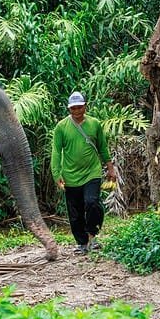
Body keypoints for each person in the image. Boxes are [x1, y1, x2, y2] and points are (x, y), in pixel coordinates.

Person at [51, 91, 117, 254]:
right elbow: (56, 151)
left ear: (85, 106)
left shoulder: (94, 124)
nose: (77, 111)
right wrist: (56, 174)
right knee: (75, 212)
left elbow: (102, 147)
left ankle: (92, 236)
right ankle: (82, 243)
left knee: (92, 202)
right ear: (69, 109)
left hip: (92, 173)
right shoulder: (61, 127)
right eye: (73, 108)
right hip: (70, 175)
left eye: (80, 107)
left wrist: (110, 167)